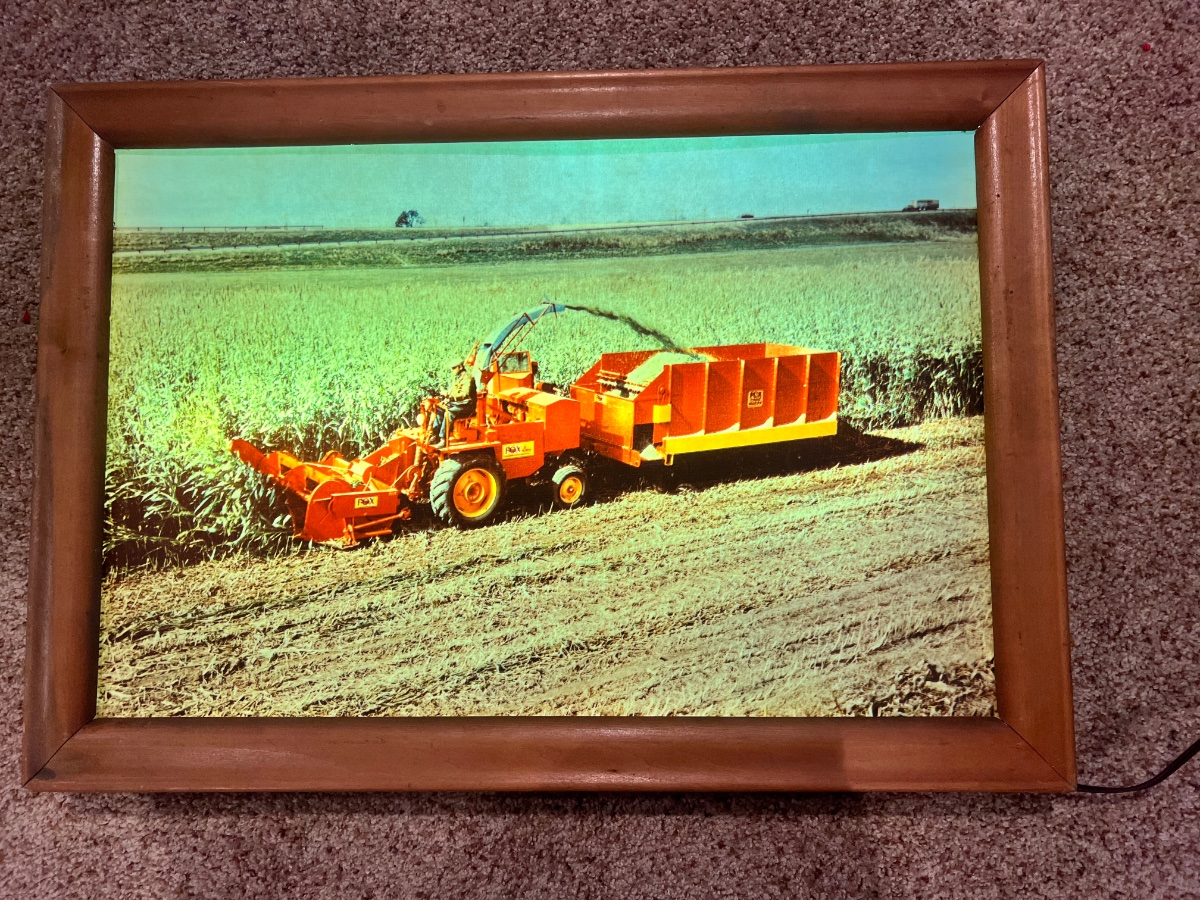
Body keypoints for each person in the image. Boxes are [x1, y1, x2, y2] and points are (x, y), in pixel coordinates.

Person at [435, 359, 477, 443]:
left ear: (460, 367)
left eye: (454, 368)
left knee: (449, 413)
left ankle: (443, 438)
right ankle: (435, 434)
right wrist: (447, 398)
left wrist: (449, 395)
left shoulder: (468, 378)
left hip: (467, 405)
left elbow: (464, 394)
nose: (452, 370)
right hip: (458, 404)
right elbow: (454, 391)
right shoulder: (457, 377)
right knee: (439, 409)